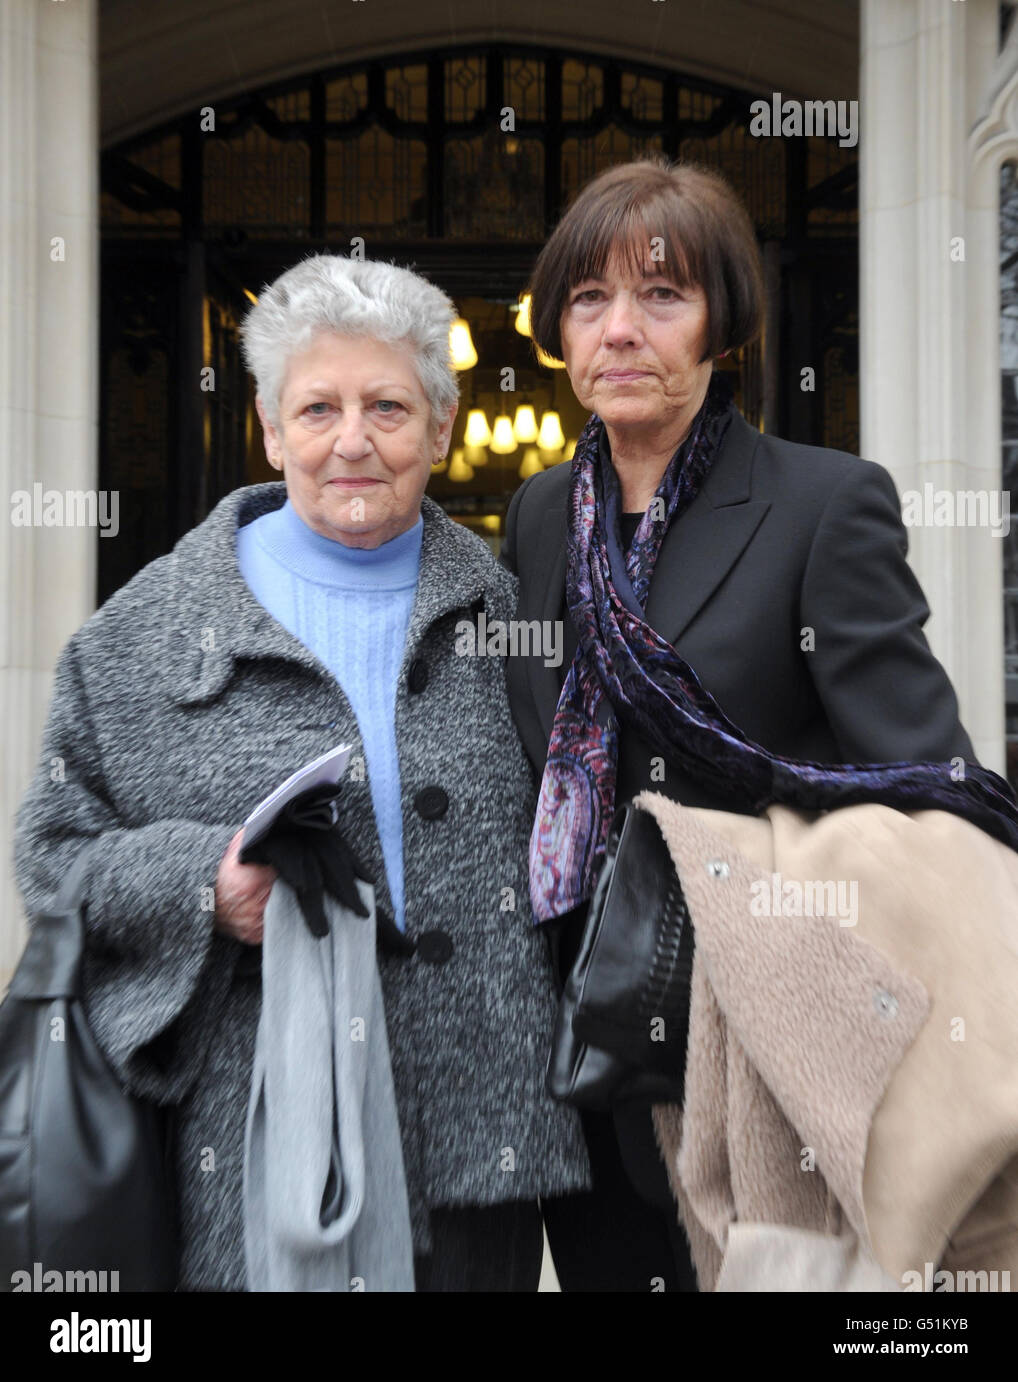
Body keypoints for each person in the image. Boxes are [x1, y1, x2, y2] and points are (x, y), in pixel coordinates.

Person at [14, 254, 589, 1292]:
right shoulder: (139, 635)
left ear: (443, 428)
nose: (353, 441)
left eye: (387, 406)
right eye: (317, 408)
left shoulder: (520, 618)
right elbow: (56, 857)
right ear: (272, 431)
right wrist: (203, 888)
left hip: (476, 1154)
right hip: (244, 1142)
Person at [500, 157, 977, 1292]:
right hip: (573, 1042)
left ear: (722, 326)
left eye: (661, 296)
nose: (621, 330)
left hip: (749, 1055)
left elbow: (922, 787)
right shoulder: (534, 515)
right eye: (589, 299)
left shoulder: (822, 503)